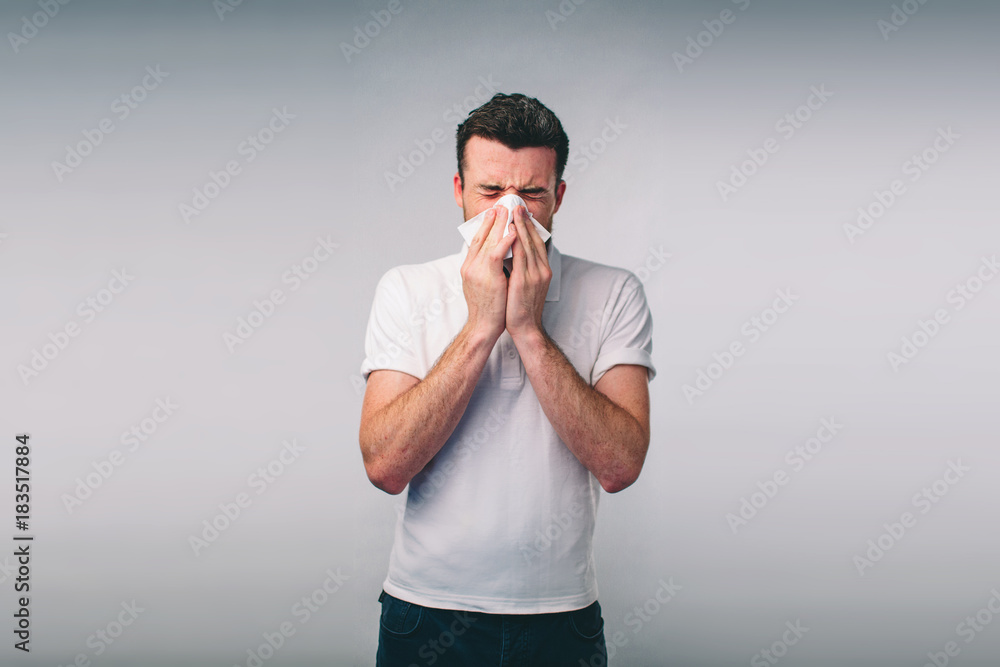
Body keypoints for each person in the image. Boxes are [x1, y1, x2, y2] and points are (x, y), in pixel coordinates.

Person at [359, 92, 656, 666]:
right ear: (458, 193)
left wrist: (527, 328)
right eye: (491, 192)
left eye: (532, 194)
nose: (510, 214)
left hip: (560, 619)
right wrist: (480, 326)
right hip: (425, 612)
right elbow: (385, 467)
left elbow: (620, 467)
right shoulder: (405, 289)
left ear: (559, 197)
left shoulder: (615, 292)